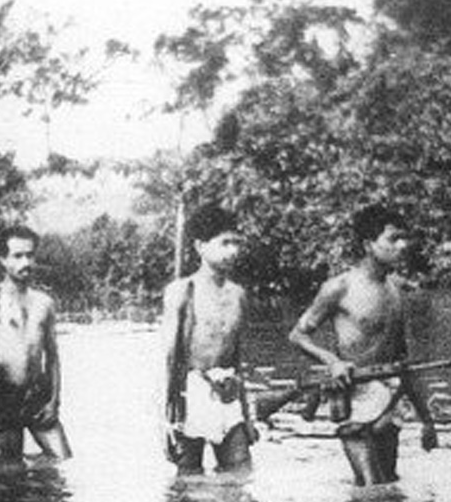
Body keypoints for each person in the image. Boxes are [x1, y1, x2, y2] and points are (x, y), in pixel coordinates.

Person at [288, 205, 436, 486]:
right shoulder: (339, 288)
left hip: (389, 399)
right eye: (393, 238)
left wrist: (427, 420)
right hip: (352, 398)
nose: (402, 246)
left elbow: (404, 361)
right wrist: (332, 362)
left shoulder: (396, 289)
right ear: (368, 244)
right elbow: (297, 335)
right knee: (372, 490)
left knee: (388, 484)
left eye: (404, 238)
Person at [160, 204, 255, 475]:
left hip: (229, 392)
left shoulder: (238, 295)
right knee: (188, 479)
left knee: (242, 476)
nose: (233, 251)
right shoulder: (181, 292)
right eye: (225, 243)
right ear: (200, 246)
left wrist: (247, 415)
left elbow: (237, 358)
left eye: (237, 243)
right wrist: (166, 421)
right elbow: (169, 358)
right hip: (191, 392)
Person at [0, 225, 72, 464]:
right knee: (9, 472)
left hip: (37, 395)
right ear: (3, 260)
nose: (26, 262)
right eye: (18, 256)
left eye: (30, 255)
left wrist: (54, 401)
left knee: (63, 460)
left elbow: (53, 357)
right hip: (4, 396)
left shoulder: (44, 303)